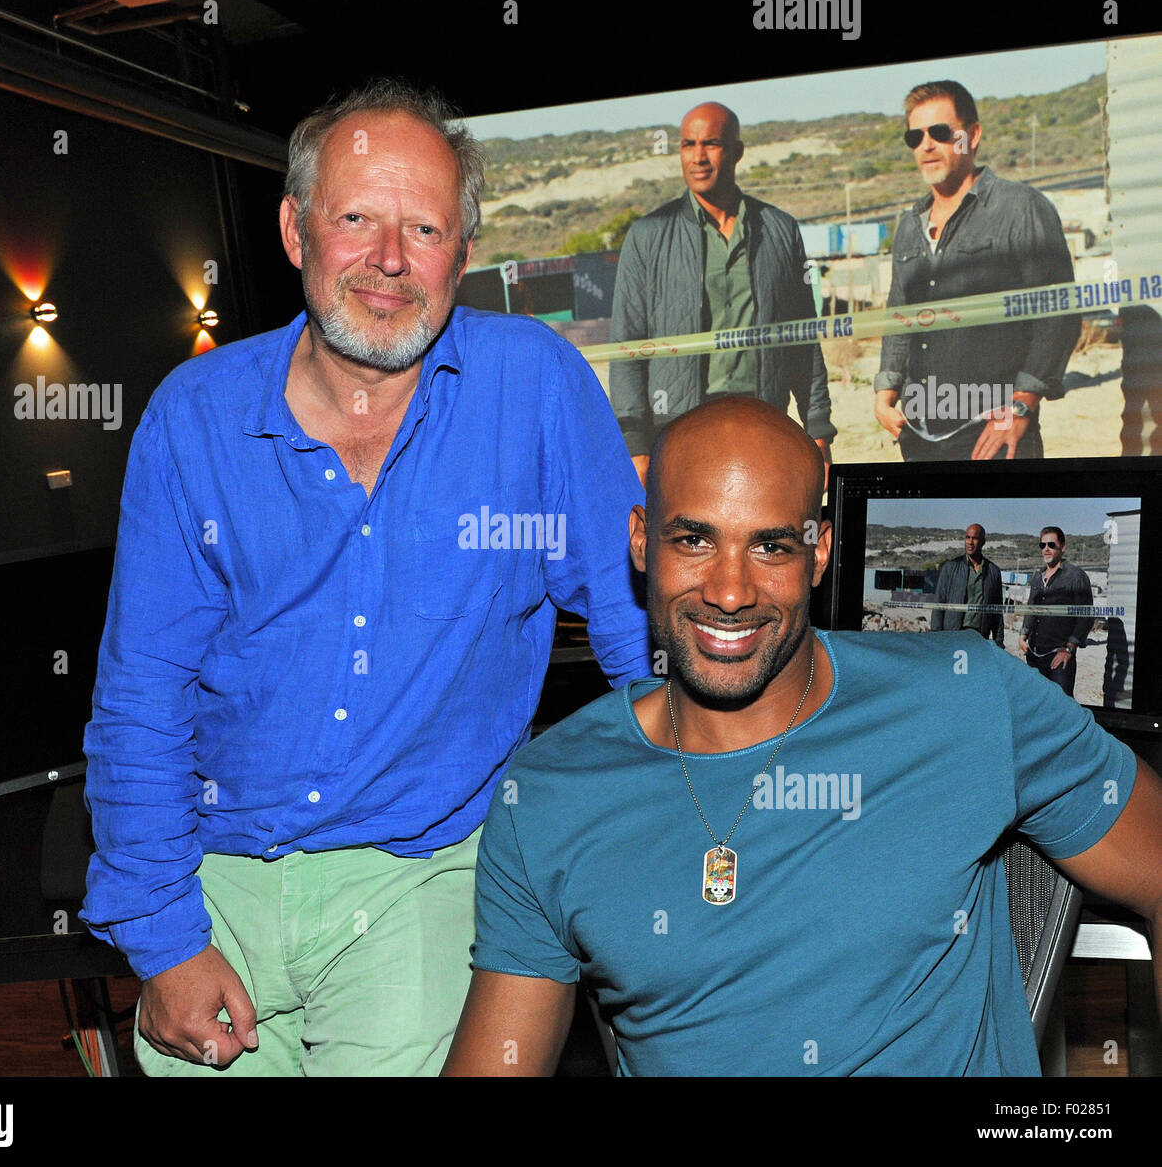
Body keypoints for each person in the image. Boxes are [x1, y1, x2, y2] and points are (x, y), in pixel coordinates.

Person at [79, 79, 652, 1077]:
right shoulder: (192, 418)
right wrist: (165, 940)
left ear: (462, 255)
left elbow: (633, 626)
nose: (390, 260)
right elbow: (140, 696)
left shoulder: (535, 386)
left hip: (419, 876)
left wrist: (695, 825)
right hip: (212, 879)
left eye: (424, 229)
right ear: (296, 231)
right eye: (357, 219)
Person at [442, 397, 1162, 1076]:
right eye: (694, 539)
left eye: (771, 547)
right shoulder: (546, 798)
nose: (730, 591)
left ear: (817, 555)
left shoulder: (967, 698)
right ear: (640, 541)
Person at [609, 102, 835, 487]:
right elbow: (627, 346)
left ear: (736, 151)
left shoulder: (780, 230)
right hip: (680, 431)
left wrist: (818, 427)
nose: (698, 156)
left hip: (763, 423)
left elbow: (803, 339)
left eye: (711, 143)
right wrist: (635, 444)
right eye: (687, 144)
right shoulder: (648, 236)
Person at [873, 80, 1081, 461]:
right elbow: (899, 316)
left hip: (995, 437)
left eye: (939, 132)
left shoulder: (1021, 209)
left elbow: (1059, 313)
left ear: (972, 135)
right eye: (914, 137)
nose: (926, 145)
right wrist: (885, 389)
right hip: (919, 434)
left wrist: (1021, 406)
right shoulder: (908, 225)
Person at [1019, 526, 1094, 697]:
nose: (1046, 549)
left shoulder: (1076, 576)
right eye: (1043, 545)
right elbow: (1032, 607)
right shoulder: (1038, 576)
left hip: (1059, 658)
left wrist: (1069, 649)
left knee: (1061, 709)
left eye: (1051, 544)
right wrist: (1023, 635)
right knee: (1036, 704)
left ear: (1063, 547)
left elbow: (1086, 616)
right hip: (1034, 655)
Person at [930, 523, 1005, 645]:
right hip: (953, 636)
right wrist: (935, 637)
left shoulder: (993, 571)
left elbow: (997, 611)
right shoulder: (950, 567)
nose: (970, 542)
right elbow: (939, 603)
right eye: (967, 537)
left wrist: (999, 642)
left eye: (974, 538)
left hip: (979, 638)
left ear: (983, 542)